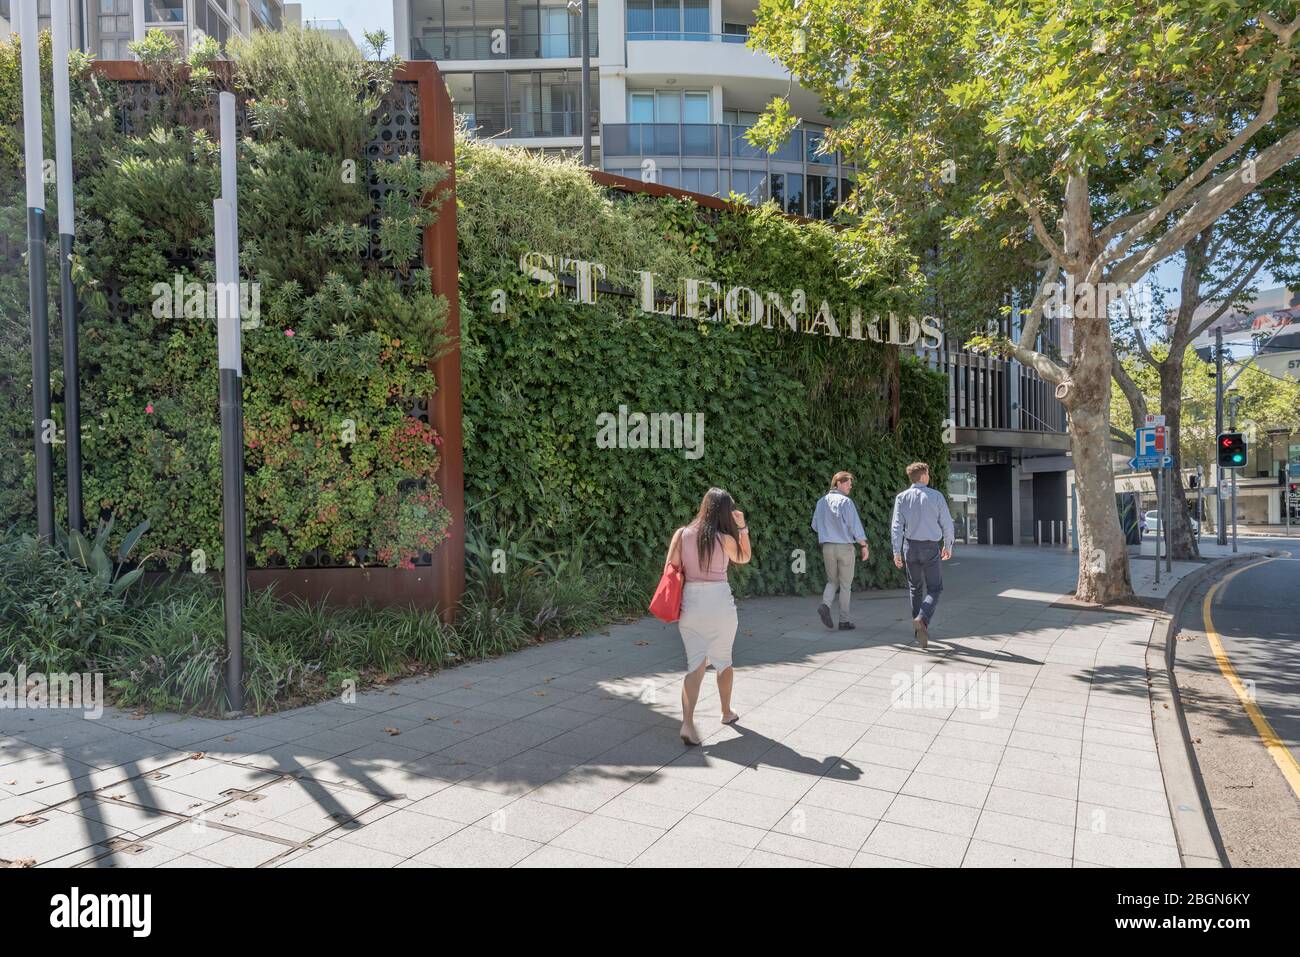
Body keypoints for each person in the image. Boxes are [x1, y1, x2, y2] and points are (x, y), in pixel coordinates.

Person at [664, 487, 752, 746]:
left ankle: (687, 724)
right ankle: (726, 713)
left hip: (691, 604)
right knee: (724, 661)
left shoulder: (681, 534)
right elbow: (744, 557)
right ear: (725, 511)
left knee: (695, 666)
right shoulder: (725, 539)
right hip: (719, 603)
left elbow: (671, 568)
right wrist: (742, 527)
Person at [890, 461, 954, 650]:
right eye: (928, 473)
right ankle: (922, 618)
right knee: (935, 588)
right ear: (923, 476)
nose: (929, 476)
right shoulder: (935, 496)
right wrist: (948, 545)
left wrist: (896, 551)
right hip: (930, 547)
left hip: (910, 547)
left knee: (914, 588)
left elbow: (896, 526)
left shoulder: (902, 497)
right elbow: (946, 523)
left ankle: (918, 630)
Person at [811, 471, 870, 630]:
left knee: (832, 581)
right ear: (837, 483)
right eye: (847, 483)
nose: (850, 486)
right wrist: (863, 545)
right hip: (845, 548)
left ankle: (825, 605)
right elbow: (855, 526)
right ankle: (844, 621)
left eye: (850, 483)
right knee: (845, 585)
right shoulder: (846, 502)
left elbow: (815, 526)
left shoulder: (820, 502)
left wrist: (828, 531)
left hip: (827, 547)